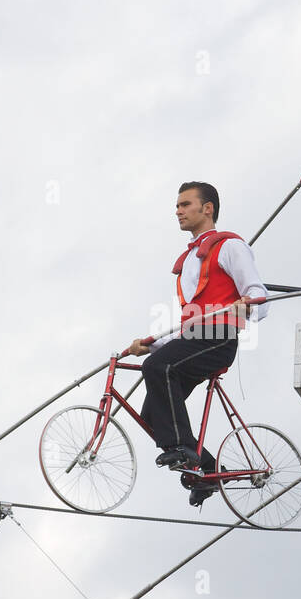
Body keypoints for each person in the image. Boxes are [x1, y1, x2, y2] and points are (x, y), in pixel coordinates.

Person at [126, 182, 270, 507]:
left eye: (185, 204)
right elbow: (190, 322)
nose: (178, 210)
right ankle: (206, 468)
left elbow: (261, 297)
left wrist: (246, 304)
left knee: (157, 368)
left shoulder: (230, 246)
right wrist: (151, 344)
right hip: (195, 338)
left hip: (219, 338)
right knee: (151, 414)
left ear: (208, 209)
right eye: (177, 205)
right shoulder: (188, 262)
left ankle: (182, 449)